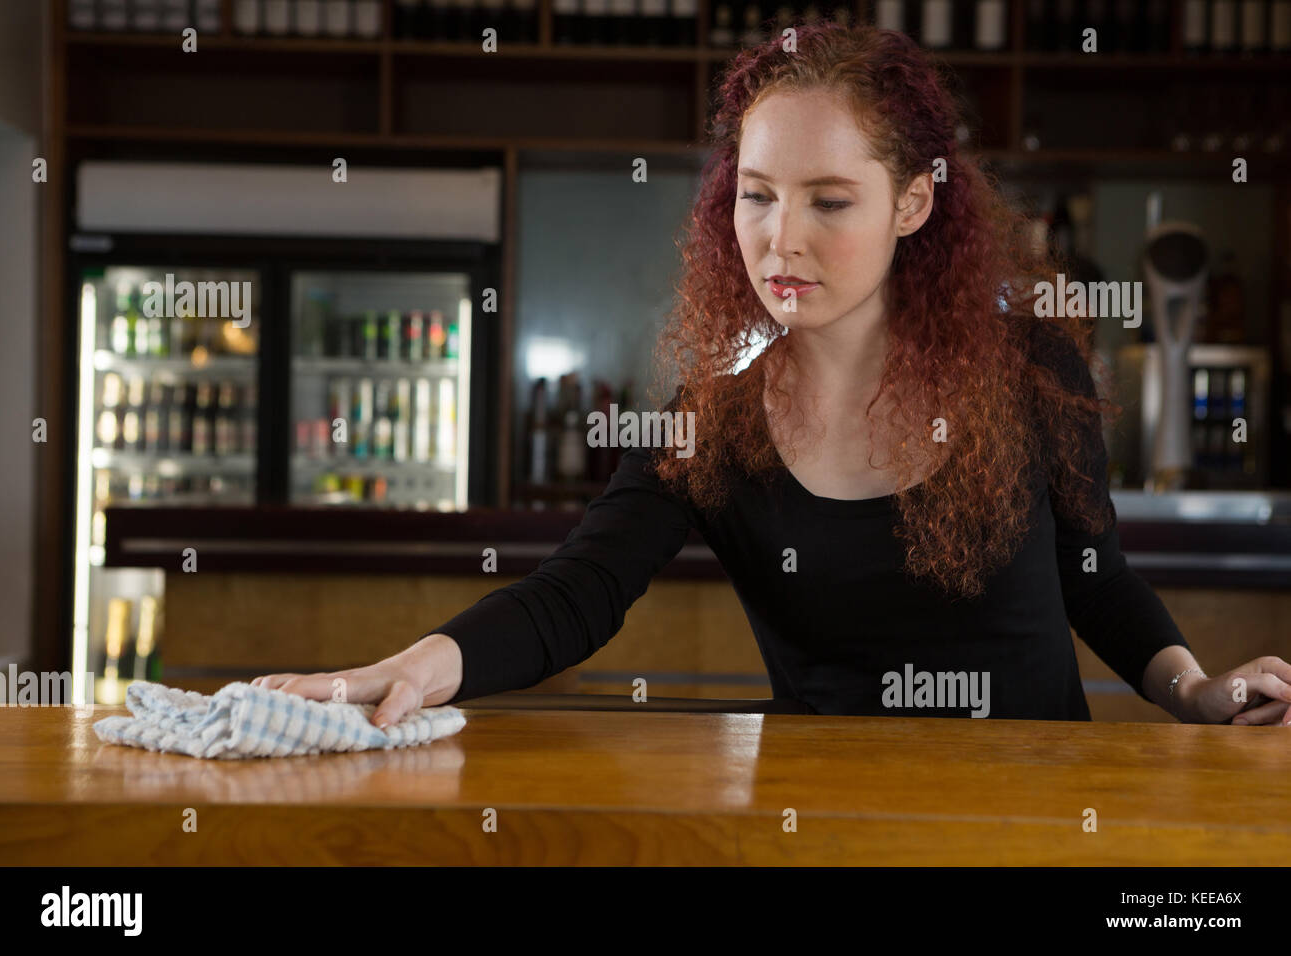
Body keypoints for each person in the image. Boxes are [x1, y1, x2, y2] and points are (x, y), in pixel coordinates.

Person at [254, 22, 1291, 727]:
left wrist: (1193, 687)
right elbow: (576, 592)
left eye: (829, 201)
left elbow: (1094, 580)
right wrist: (418, 665)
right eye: (755, 194)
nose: (779, 238)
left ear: (913, 205)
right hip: (820, 826)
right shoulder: (715, 424)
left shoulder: (1032, 372)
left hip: (1028, 816)